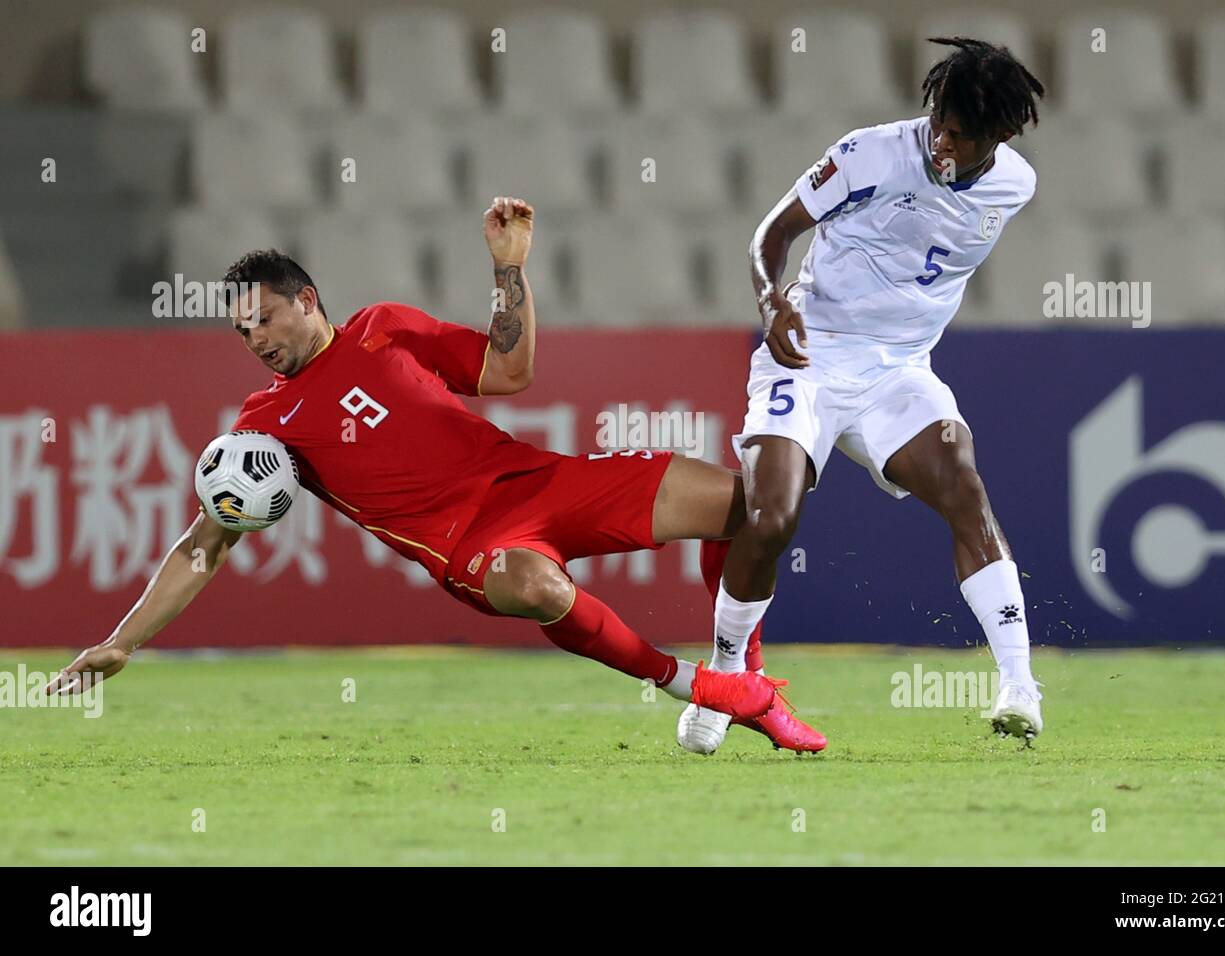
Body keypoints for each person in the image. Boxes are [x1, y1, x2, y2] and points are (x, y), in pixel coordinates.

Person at [48, 197, 825, 744]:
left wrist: (509, 270)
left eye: (264, 320)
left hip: (534, 481)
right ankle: (691, 685)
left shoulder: (386, 330)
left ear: (307, 300)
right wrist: (124, 641)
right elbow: (202, 546)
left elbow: (508, 374)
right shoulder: (263, 429)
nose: (254, 340)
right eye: (241, 330)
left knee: (745, 505)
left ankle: (736, 678)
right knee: (540, 587)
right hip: (467, 546)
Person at [679, 37, 1048, 754]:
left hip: (899, 373)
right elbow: (772, 234)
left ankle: (1020, 684)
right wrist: (770, 301)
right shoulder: (868, 154)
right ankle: (726, 679)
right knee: (771, 514)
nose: (941, 141)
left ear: (1000, 136)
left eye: (960, 134)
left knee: (964, 487)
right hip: (808, 357)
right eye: (938, 121)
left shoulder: (1016, 185)